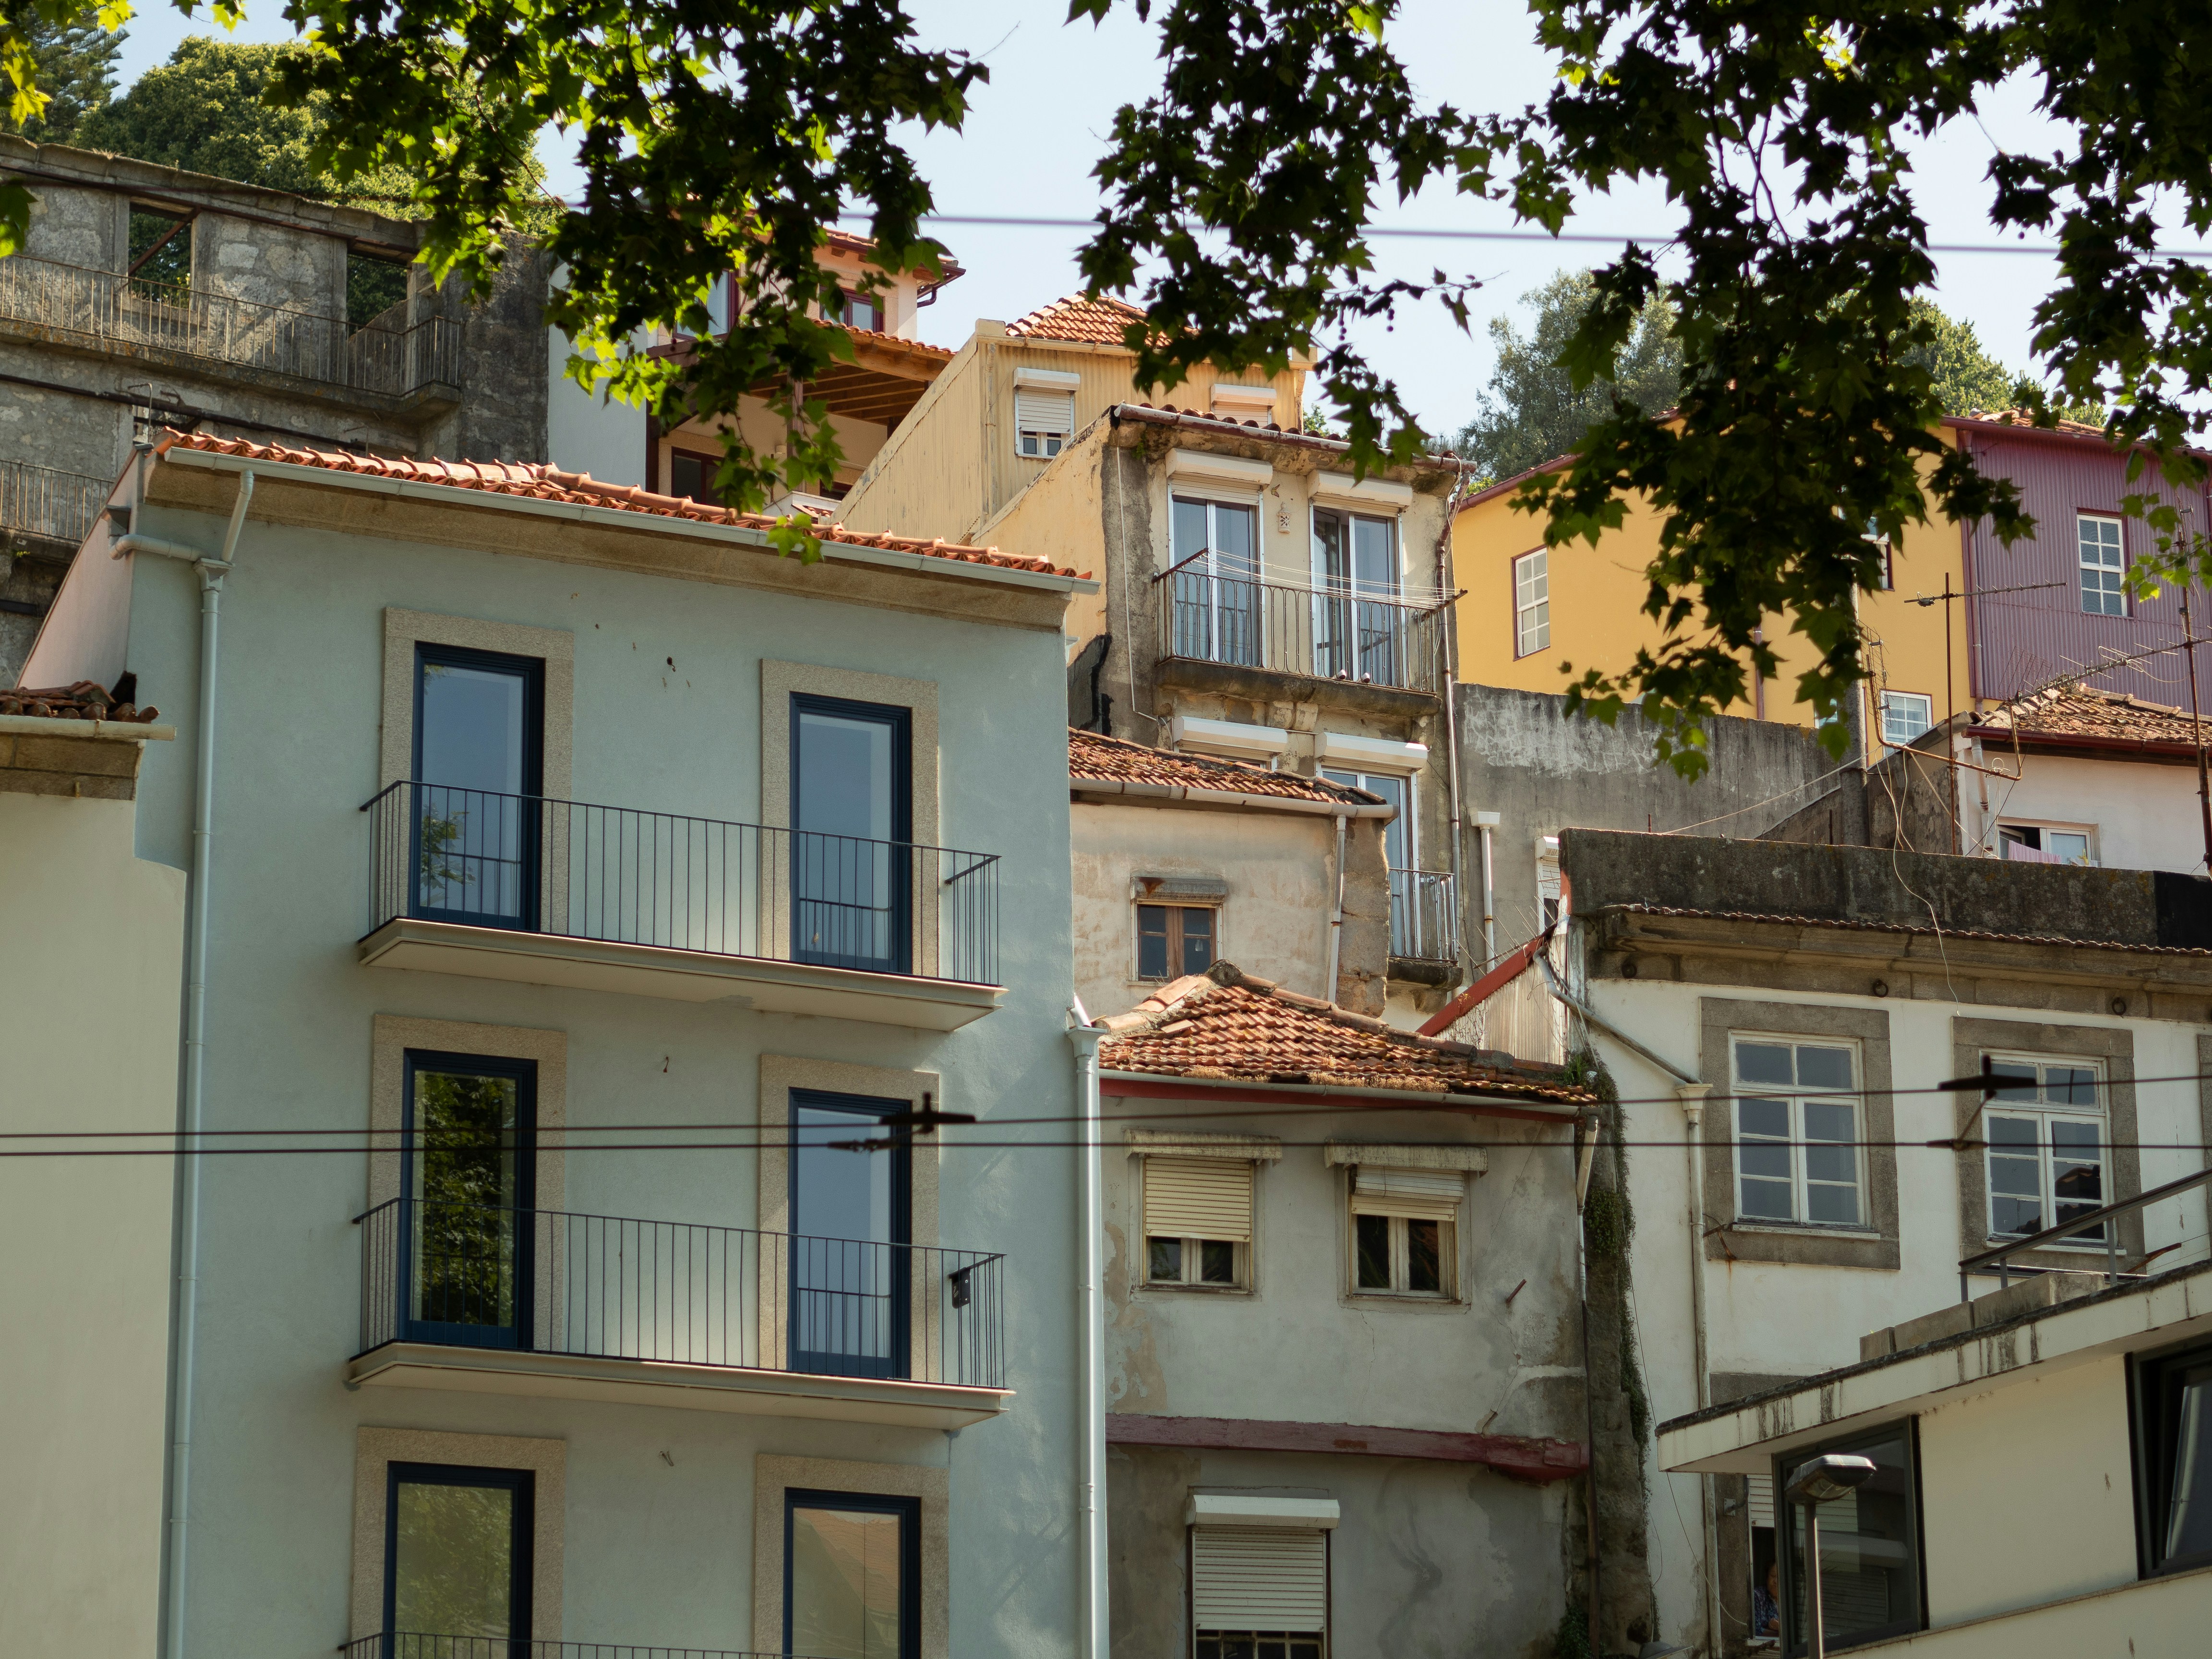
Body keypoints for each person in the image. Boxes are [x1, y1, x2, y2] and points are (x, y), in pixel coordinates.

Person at [1753, 1560, 1781, 1641]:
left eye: (1779, 1577)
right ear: (1767, 1578)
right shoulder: (1758, 1595)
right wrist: (1780, 1632)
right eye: (1772, 1576)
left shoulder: (1789, 1600)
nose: (1775, 1582)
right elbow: (1755, 1631)